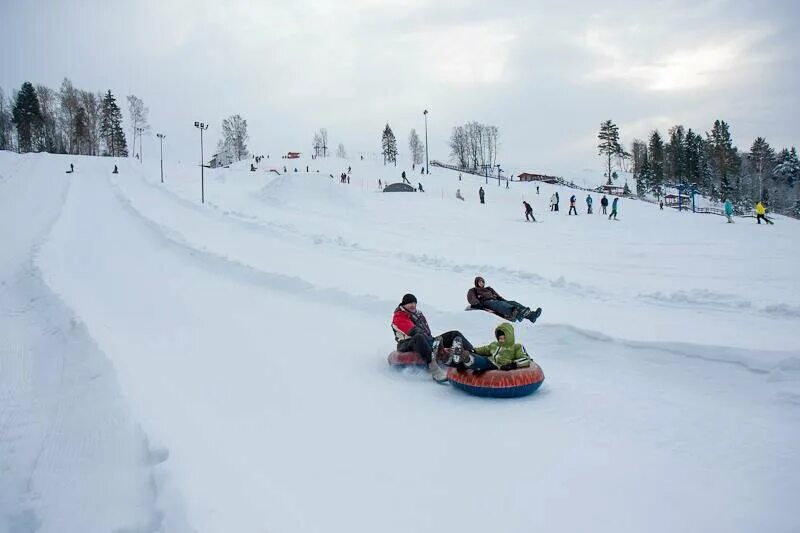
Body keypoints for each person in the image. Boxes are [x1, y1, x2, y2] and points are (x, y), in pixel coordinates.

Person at [392, 294, 475, 382]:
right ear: (404, 304)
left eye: (414, 303)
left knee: (455, 334)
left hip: (425, 340)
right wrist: (435, 345)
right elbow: (414, 331)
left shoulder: (418, 314)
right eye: (409, 303)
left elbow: (427, 333)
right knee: (419, 336)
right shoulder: (399, 315)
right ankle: (434, 369)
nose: (413, 305)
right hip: (407, 343)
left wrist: (436, 343)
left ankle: (473, 355)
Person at [452, 322, 533, 372]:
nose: (501, 340)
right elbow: (484, 350)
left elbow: (526, 359)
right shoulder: (494, 344)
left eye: (504, 338)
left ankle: (466, 357)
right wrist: (474, 351)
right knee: (480, 358)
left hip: (498, 366)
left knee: (483, 362)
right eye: (500, 338)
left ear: (510, 336)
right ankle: (449, 357)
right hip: (490, 361)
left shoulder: (517, 347)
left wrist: (512, 365)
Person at [466, 277, 542, 324]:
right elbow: (471, 298)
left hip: (495, 300)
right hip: (486, 302)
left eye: (482, 282)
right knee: (500, 305)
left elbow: (498, 296)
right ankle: (515, 314)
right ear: (476, 283)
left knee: (512, 303)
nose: (481, 283)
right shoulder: (474, 290)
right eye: (479, 282)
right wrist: (477, 303)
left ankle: (531, 315)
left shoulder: (488, 288)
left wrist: (505, 301)